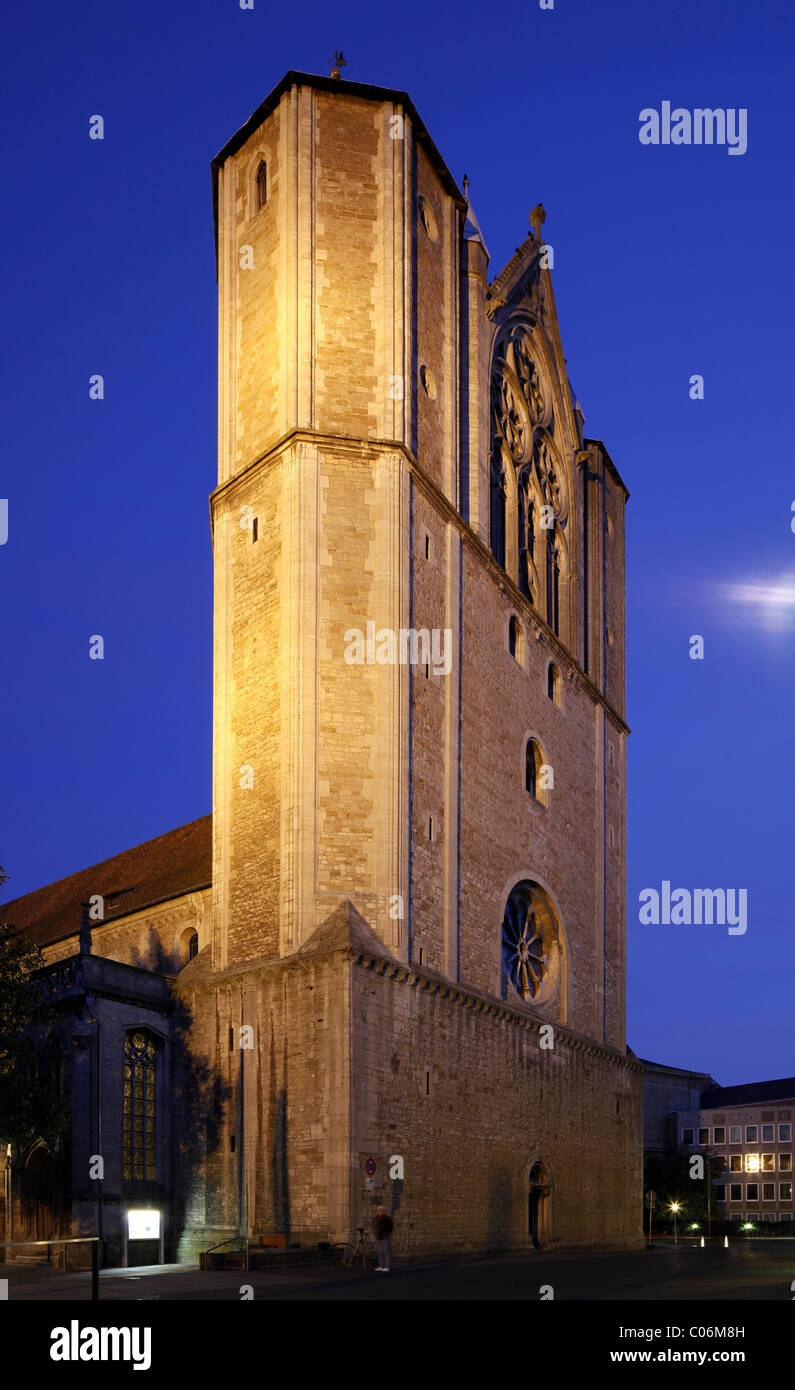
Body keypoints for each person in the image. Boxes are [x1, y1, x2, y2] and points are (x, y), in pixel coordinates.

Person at [373, 1206, 393, 1272]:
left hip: (384, 1237)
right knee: (380, 1252)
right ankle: (381, 1266)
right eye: (378, 1210)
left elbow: (390, 1227)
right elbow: (373, 1225)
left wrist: (386, 1234)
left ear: (383, 1211)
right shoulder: (376, 1218)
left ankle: (387, 1266)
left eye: (381, 1210)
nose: (379, 1211)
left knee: (386, 1252)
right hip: (378, 1237)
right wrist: (375, 1233)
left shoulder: (387, 1218)